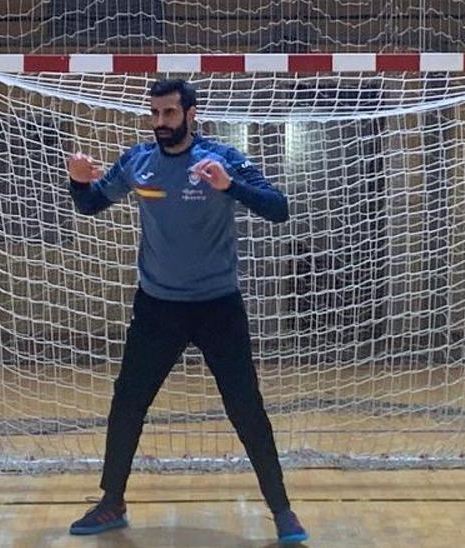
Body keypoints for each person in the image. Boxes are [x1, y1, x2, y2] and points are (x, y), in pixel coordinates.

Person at [62, 79, 308, 545]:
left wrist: (231, 186)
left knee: (246, 409)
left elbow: (279, 209)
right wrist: (77, 181)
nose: (160, 123)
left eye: (170, 114)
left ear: (191, 114)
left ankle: (282, 511)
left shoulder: (222, 159)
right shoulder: (137, 162)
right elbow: (91, 204)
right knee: (128, 402)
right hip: (158, 307)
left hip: (218, 307)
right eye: (155, 114)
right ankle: (111, 501)